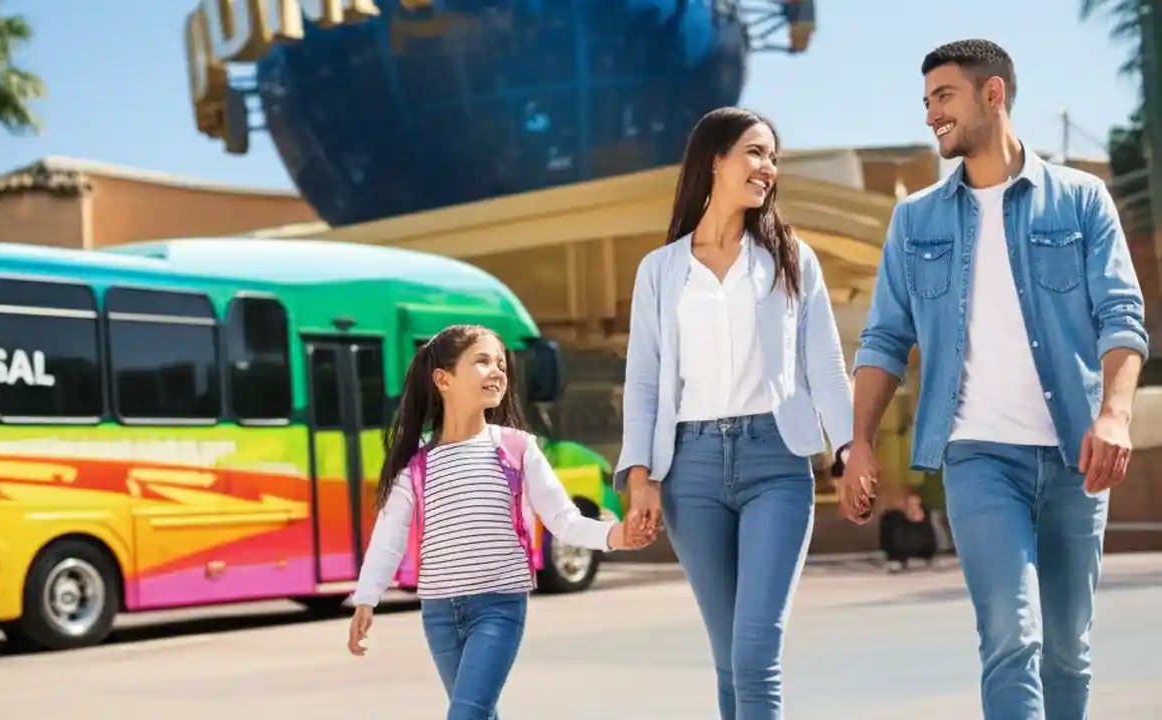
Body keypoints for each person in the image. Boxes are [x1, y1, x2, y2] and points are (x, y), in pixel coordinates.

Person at [841, 39, 1147, 720]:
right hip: (977, 455)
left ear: (993, 94)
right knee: (1012, 634)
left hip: (1076, 456)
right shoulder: (914, 218)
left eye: (943, 97)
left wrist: (1115, 414)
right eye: (925, 102)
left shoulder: (1081, 200)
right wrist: (858, 441)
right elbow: (887, 337)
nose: (931, 116)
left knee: (1068, 647)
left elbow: (1122, 316)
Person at [616, 106, 854, 720]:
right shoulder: (660, 270)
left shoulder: (792, 258)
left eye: (773, 157)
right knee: (728, 658)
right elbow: (643, 380)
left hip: (776, 461)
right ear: (714, 159)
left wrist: (850, 449)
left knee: (753, 653)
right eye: (755, 152)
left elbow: (825, 365)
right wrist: (639, 474)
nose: (768, 167)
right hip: (689, 470)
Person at [345, 324, 652, 720]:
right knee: (479, 713)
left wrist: (616, 535)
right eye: (482, 361)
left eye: (501, 365)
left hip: (498, 606)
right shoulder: (417, 460)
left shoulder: (516, 447)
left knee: (467, 714)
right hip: (438, 611)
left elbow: (563, 518)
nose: (497, 372)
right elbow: (389, 535)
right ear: (443, 379)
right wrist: (366, 598)